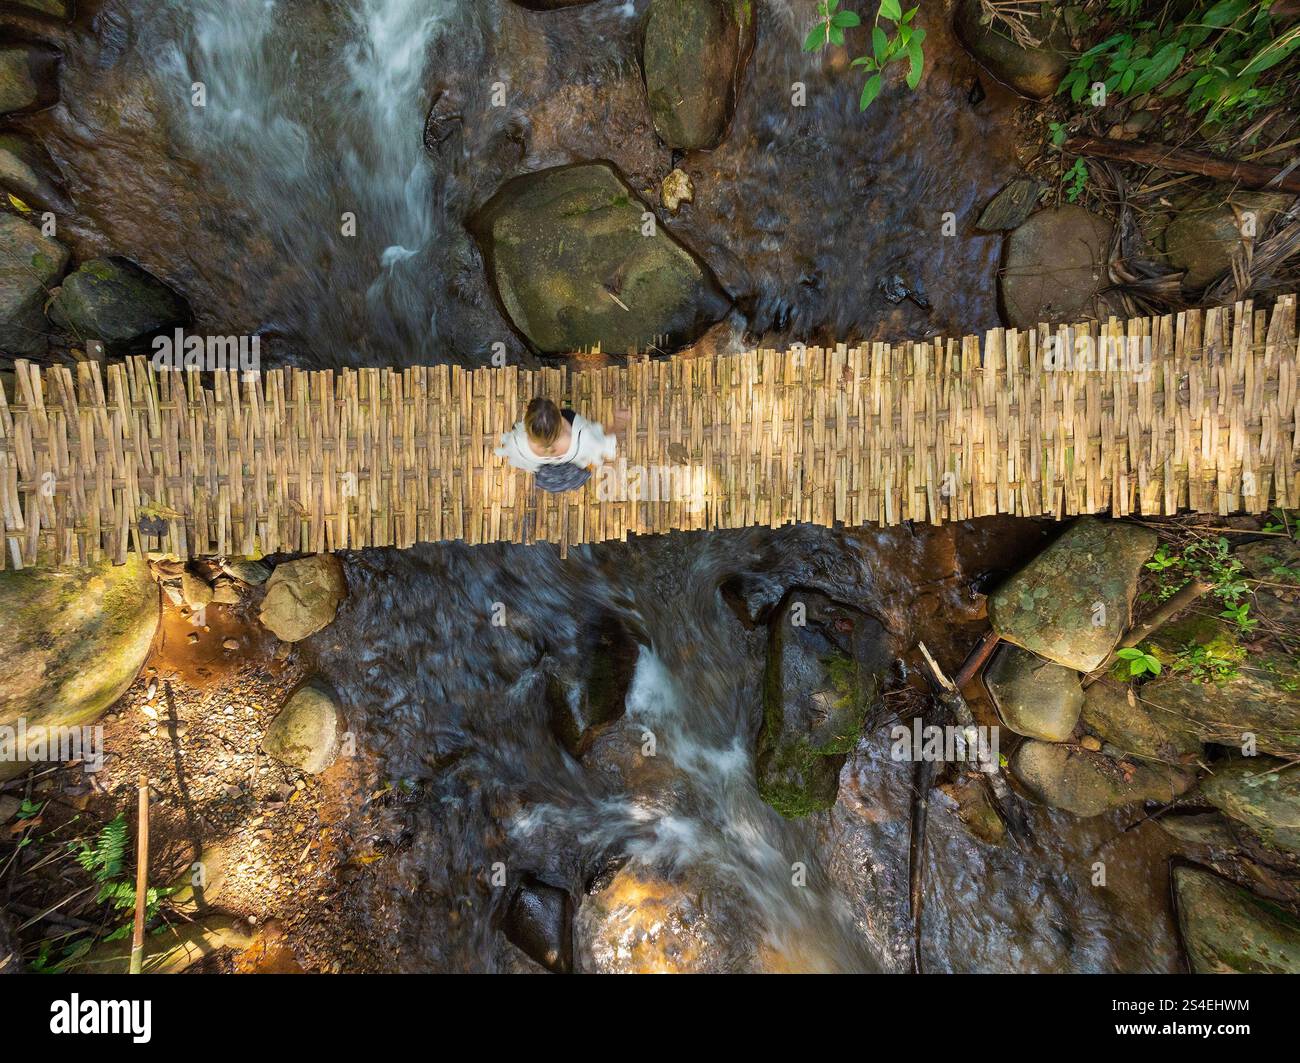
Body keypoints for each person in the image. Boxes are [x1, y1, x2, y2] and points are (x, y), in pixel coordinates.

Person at [496, 397, 619, 493]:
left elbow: (519, 460)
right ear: (560, 416)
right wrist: (618, 422)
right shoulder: (584, 437)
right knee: (588, 463)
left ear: (527, 426)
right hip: (577, 460)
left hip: (540, 466)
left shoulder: (517, 444)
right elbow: (603, 443)